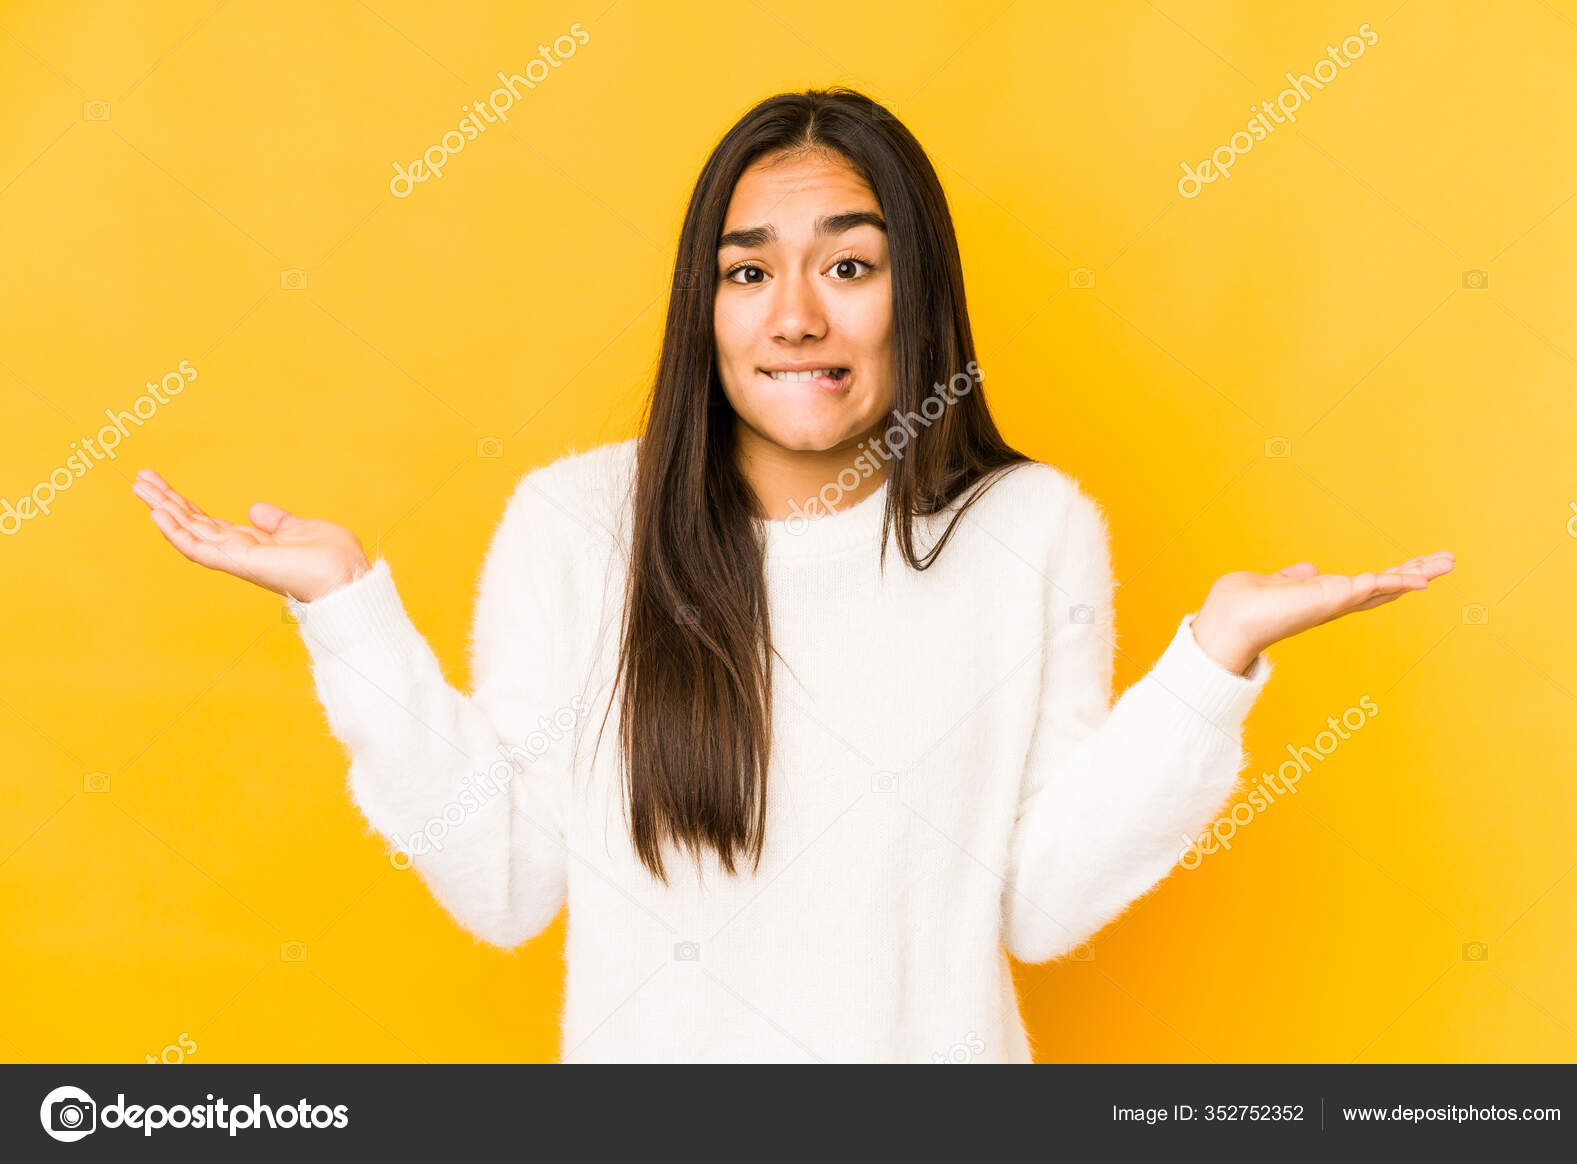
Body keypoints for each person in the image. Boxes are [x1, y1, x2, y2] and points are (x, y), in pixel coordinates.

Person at [132, 87, 1454, 1063]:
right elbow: (507, 882)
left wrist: (1209, 667)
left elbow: (1040, 908)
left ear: (915, 292)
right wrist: (350, 616)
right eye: (750, 269)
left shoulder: (1030, 528)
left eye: (851, 266)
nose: (796, 314)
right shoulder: (577, 524)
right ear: (703, 307)